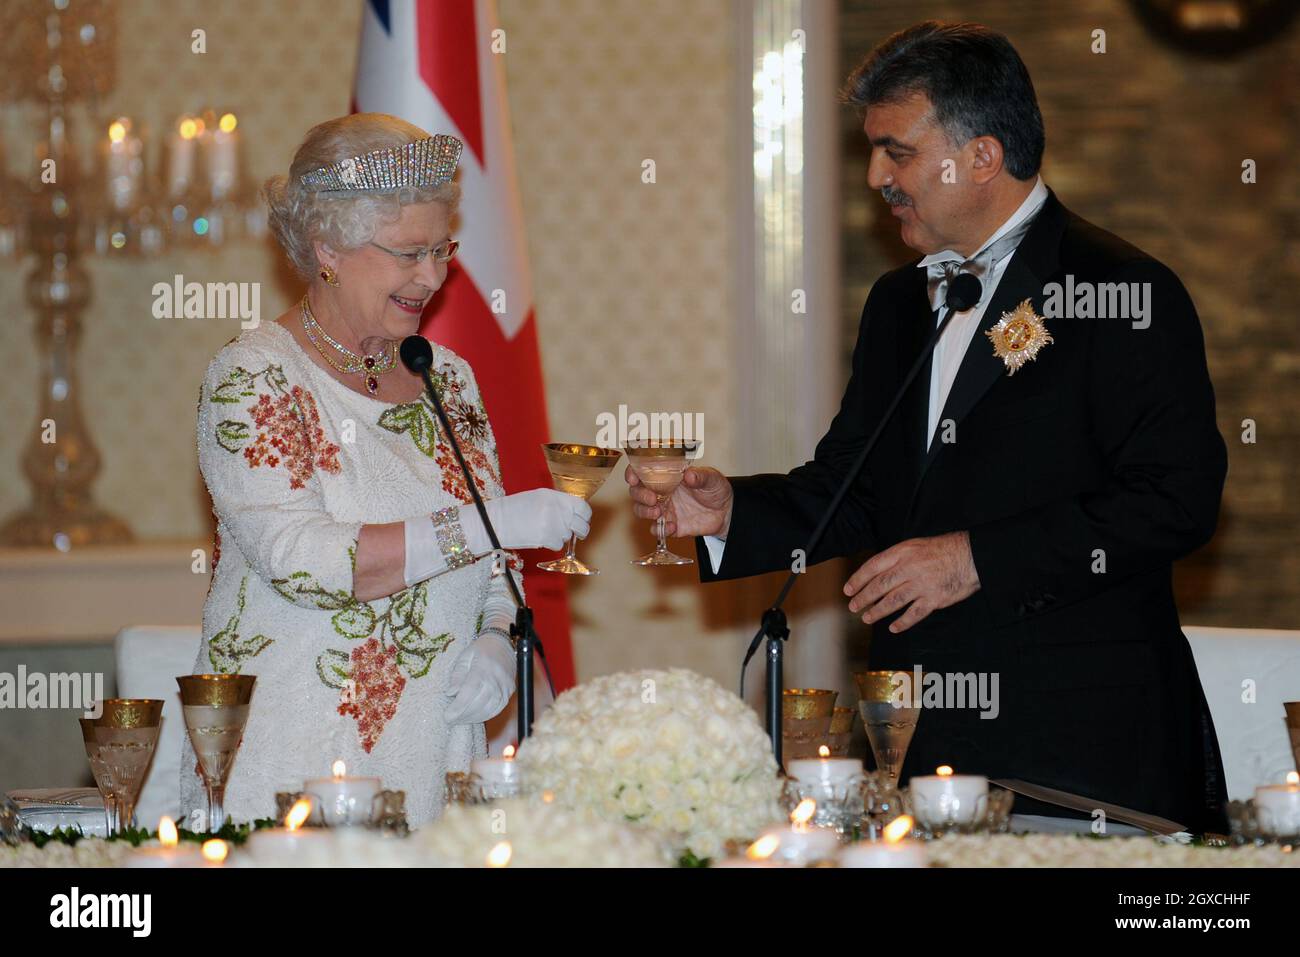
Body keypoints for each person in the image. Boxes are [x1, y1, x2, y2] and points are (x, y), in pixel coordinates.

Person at [627, 22, 1230, 834]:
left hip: (1081, 764)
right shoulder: (899, 304)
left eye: (896, 152)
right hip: (922, 755)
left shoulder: (1122, 290)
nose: (876, 176)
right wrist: (730, 510)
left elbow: (1176, 500)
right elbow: (858, 487)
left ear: (982, 155)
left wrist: (972, 558)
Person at [183, 113, 590, 827]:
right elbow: (303, 560)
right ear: (327, 248)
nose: (432, 276)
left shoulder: (448, 379)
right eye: (408, 252)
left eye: (441, 249)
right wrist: (485, 525)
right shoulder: (252, 376)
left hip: (431, 762)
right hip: (286, 767)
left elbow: (497, 557)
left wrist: (499, 634)